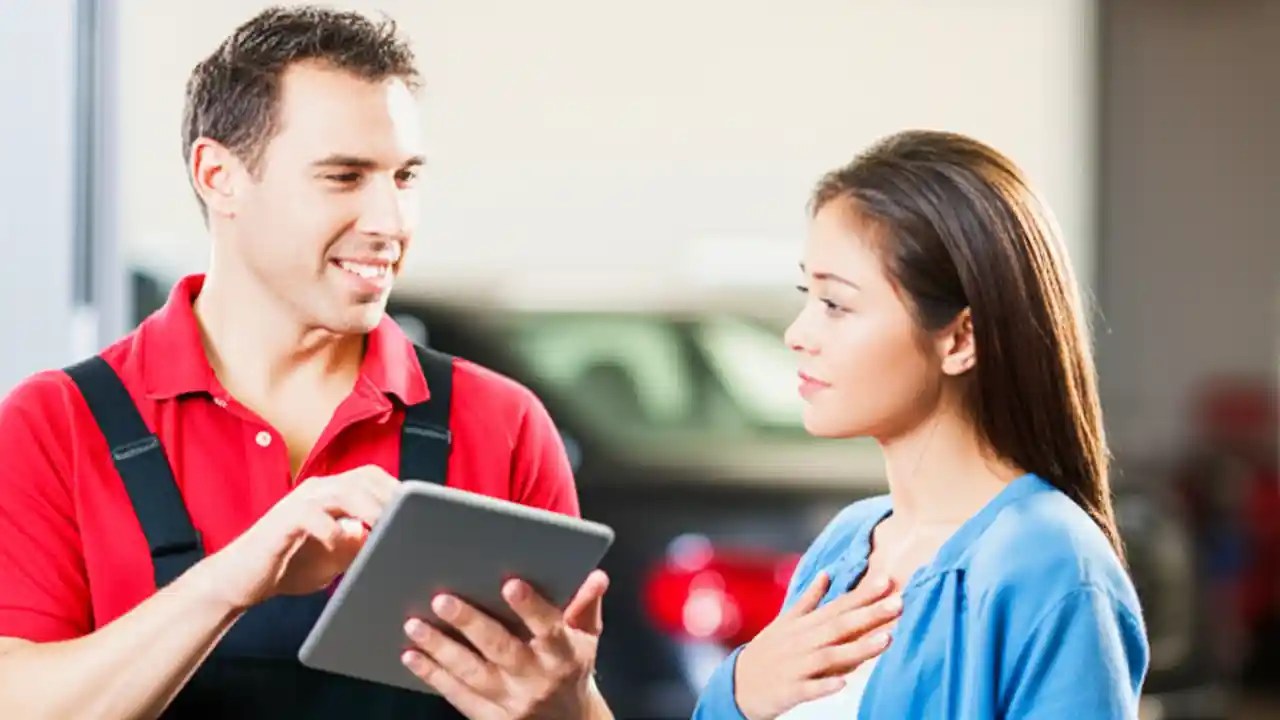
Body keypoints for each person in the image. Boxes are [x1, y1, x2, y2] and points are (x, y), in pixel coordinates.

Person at [0, 7, 616, 719]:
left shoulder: (501, 425)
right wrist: (231, 581)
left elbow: (573, 704)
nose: (391, 221)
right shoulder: (56, 426)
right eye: (344, 177)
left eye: (405, 176)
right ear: (218, 175)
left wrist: (567, 707)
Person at [693, 130, 1150, 719]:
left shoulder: (1052, 564)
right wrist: (738, 695)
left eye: (835, 304)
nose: (797, 334)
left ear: (960, 338)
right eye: (808, 294)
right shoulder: (844, 543)